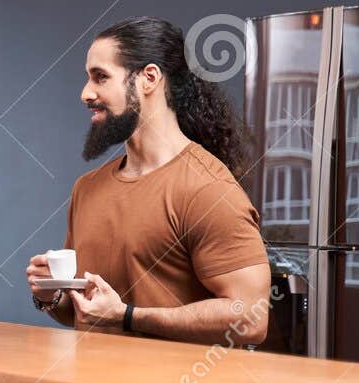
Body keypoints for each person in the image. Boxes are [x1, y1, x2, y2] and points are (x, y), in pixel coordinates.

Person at [27, 17, 271, 346]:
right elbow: (84, 311)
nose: (86, 93)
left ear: (149, 78)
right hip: (91, 377)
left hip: (177, 382)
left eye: (101, 77)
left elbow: (251, 318)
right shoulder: (86, 188)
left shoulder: (208, 189)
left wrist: (128, 315)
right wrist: (52, 294)